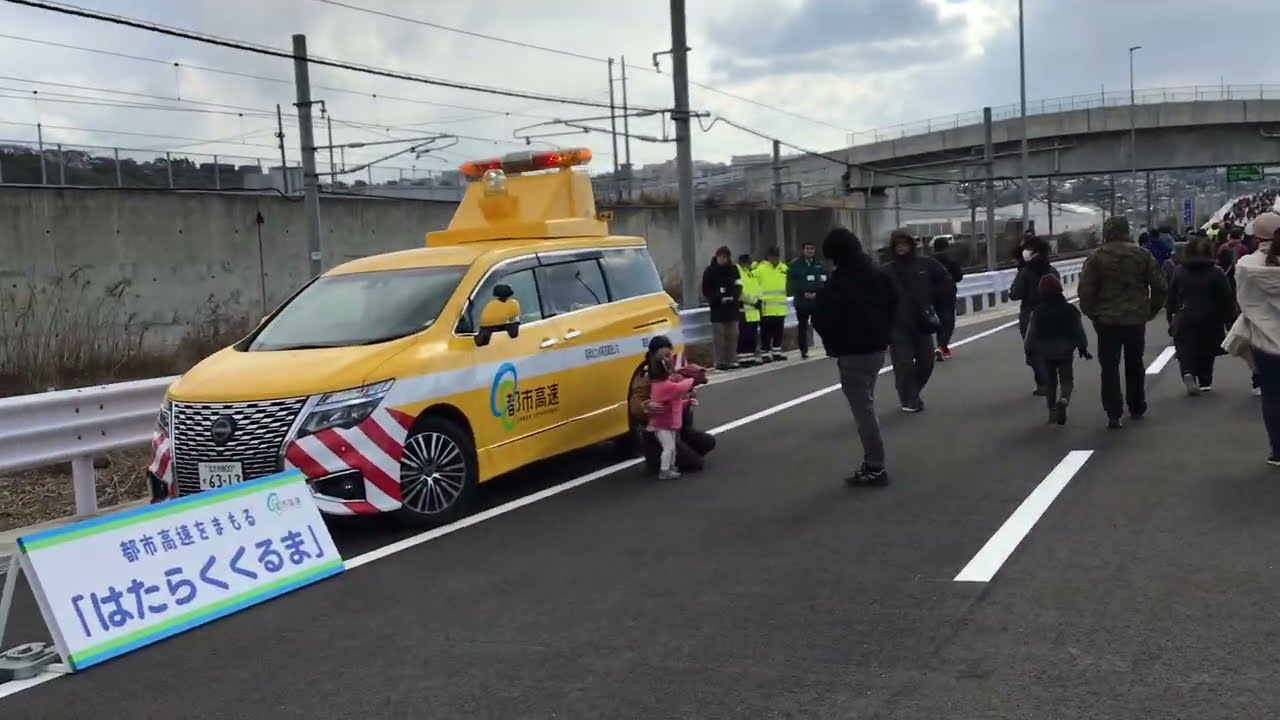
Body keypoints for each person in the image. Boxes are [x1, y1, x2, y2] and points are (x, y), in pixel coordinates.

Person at [812, 227, 897, 486]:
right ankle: (874, 464)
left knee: (863, 411)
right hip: (877, 348)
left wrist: (833, 341)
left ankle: (875, 466)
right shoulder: (879, 274)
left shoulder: (838, 284)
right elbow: (894, 303)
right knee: (866, 403)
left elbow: (822, 319)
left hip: (851, 352)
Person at [1078, 216, 1167, 429]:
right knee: (1134, 363)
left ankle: (1113, 412)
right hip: (1135, 318)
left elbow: (1086, 290)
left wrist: (1093, 314)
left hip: (1106, 320)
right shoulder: (1141, 254)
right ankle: (1136, 406)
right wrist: (1151, 309)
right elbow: (1160, 285)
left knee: (1109, 366)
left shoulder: (1096, 257)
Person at [1227, 212, 1280, 464]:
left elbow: (1243, 301)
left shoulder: (1246, 266)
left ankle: (1278, 451)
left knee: (1272, 396)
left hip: (1264, 340)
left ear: (1256, 237)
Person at [883, 229, 951, 412]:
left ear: (911, 245)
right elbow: (876, 297)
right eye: (898, 244)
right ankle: (908, 399)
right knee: (903, 364)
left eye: (905, 243)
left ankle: (912, 392)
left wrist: (933, 299)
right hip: (897, 325)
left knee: (926, 361)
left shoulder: (927, 264)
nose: (901, 247)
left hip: (922, 323)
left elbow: (946, 282)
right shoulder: (887, 271)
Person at [628, 336, 716, 475]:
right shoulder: (647, 375)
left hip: (676, 427)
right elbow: (635, 404)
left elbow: (680, 392)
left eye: (668, 355)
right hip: (658, 431)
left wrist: (689, 395)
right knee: (695, 463)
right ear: (652, 355)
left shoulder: (671, 371)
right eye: (662, 356)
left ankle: (680, 455)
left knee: (707, 442)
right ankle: (657, 459)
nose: (667, 359)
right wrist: (646, 406)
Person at [1167, 236, 1235, 396]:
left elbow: (1171, 295)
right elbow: (1226, 297)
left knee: (1185, 346)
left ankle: (1187, 371)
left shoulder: (1180, 271)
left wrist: (1171, 316)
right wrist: (1228, 319)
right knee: (1207, 348)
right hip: (1211, 316)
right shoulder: (1216, 272)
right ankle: (1205, 380)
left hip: (1186, 314)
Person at [1023, 274, 1091, 425]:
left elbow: (1031, 334)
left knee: (1050, 382)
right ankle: (1064, 400)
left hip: (1045, 351)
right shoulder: (1071, 310)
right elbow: (1079, 331)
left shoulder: (1037, 312)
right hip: (1065, 350)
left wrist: (1029, 349)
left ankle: (1052, 411)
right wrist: (1083, 347)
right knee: (1067, 381)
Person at [1009, 236, 1061, 395]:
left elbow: (1015, 294)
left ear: (1034, 252)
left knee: (1033, 350)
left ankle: (1043, 383)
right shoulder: (1052, 271)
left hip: (1031, 314)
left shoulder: (1025, 272)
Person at [645, 352, 697, 479]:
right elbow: (680, 388)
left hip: (668, 422)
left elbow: (676, 403)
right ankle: (664, 470)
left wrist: (688, 402)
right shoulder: (664, 386)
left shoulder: (660, 385)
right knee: (668, 447)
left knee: (672, 447)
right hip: (661, 424)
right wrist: (693, 379)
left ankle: (671, 466)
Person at [700, 246, 741, 371]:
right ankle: (720, 361)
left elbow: (738, 285)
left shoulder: (733, 270)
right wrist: (718, 298)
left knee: (732, 335)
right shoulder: (710, 271)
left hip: (732, 308)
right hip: (717, 309)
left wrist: (733, 296)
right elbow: (706, 290)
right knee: (719, 336)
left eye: (725, 257)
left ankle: (732, 359)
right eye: (720, 257)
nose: (722, 259)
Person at [787, 241, 826, 360]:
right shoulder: (795, 265)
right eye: (808, 249)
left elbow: (823, 279)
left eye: (812, 249)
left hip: (816, 301)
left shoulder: (818, 264)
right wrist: (802, 293)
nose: (810, 251)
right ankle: (803, 350)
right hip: (802, 301)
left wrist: (818, 292)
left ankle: (828, 346)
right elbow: (792, 283)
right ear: (802, 250)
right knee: (802, 327)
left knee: (821, 324)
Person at [931, 236, 964, 360]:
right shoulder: (951, 260)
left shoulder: (928, 261)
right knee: (948, 320)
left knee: (936, 319)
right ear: (947, 247)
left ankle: (941, 347)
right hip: (947, 293)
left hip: (932, 294)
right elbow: (959, 276)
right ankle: (942, 346)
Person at [754, 247, 789, 362]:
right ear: (768, 257)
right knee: (766, 333)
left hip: (780, 308)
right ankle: (765, 353)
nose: (775, 258)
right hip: (766, 308)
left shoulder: (783, 268)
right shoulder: (760, 269)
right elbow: (752, 283)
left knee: (778, 332)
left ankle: (777, 352)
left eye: (777, 256)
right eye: (773, 256)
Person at [735, 253, 763, 367]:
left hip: (753, 311)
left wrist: (759, 300)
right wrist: (754, 301)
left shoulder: (749, 273)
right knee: (744, 336)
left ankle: (750, 358)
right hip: (745, 309)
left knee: (751, 336)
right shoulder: (738, 272)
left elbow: (756, 288)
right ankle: (743, 359)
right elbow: (740, 292)